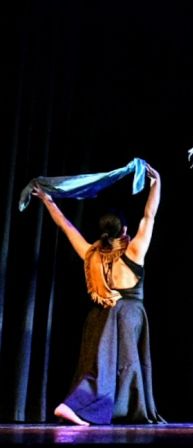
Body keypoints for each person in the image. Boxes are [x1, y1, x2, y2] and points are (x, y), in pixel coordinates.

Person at [33, 165, 163, 425]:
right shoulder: (134, 250)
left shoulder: (90, 254)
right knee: (119, 367)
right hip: (128, 315)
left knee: (101, 366)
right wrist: (156, 183)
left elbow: (66, 226)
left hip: (99, 315)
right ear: (124, 230)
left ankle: (107, 410)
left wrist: (48, 201)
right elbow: (149, 216)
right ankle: (75, 407)